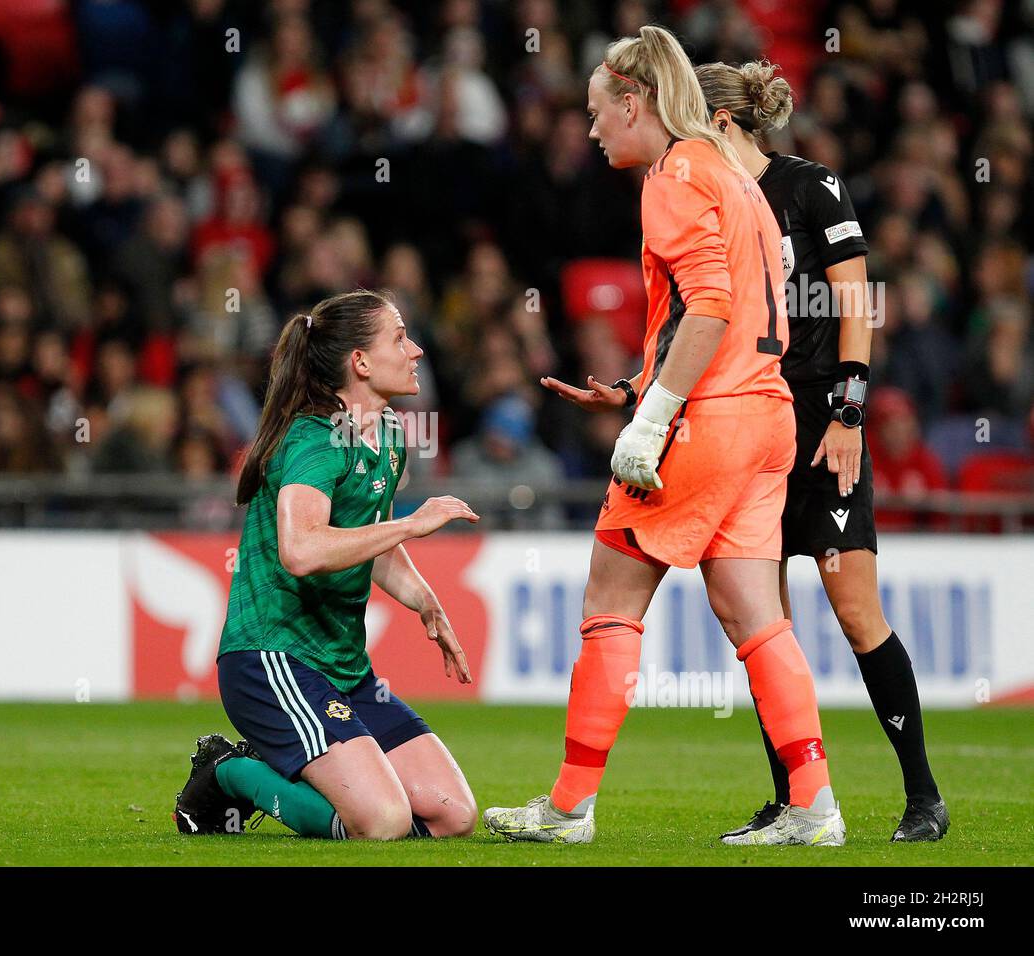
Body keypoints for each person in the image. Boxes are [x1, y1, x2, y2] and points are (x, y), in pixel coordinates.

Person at [484, 25, 845, 846]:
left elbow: (710, 307)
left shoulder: (674, 172)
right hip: (767, 419)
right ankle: (814, 805)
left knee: (610, 604)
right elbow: (731, 311)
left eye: (596, 110)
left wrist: (649, 421)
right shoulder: (732, 173)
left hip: (707, 423)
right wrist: (633, 386)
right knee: (758, 618)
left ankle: (569, 808)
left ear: (634, 100)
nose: (590, 128)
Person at [698, 60, 947, 843]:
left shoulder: (810, 187)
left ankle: (923, 798)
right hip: (748, 428)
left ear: (723, 121)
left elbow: (853, 299)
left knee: (854, 610)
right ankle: (796, 803)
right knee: (760, 622)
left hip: (821, 421)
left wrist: (850, 410)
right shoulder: (706, 202)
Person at [174, 289, 479, 840]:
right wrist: (410, 523)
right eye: (399, 338)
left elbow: (372, 542)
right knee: (383, 822)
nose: (416, 352)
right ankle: (232, 773)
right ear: (359, 362)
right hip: (273, 660)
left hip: (341, 668)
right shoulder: (313, 439)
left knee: (451, 814)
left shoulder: (387, 437)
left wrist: (424, 601)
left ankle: (326, 780)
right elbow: (303, 549)